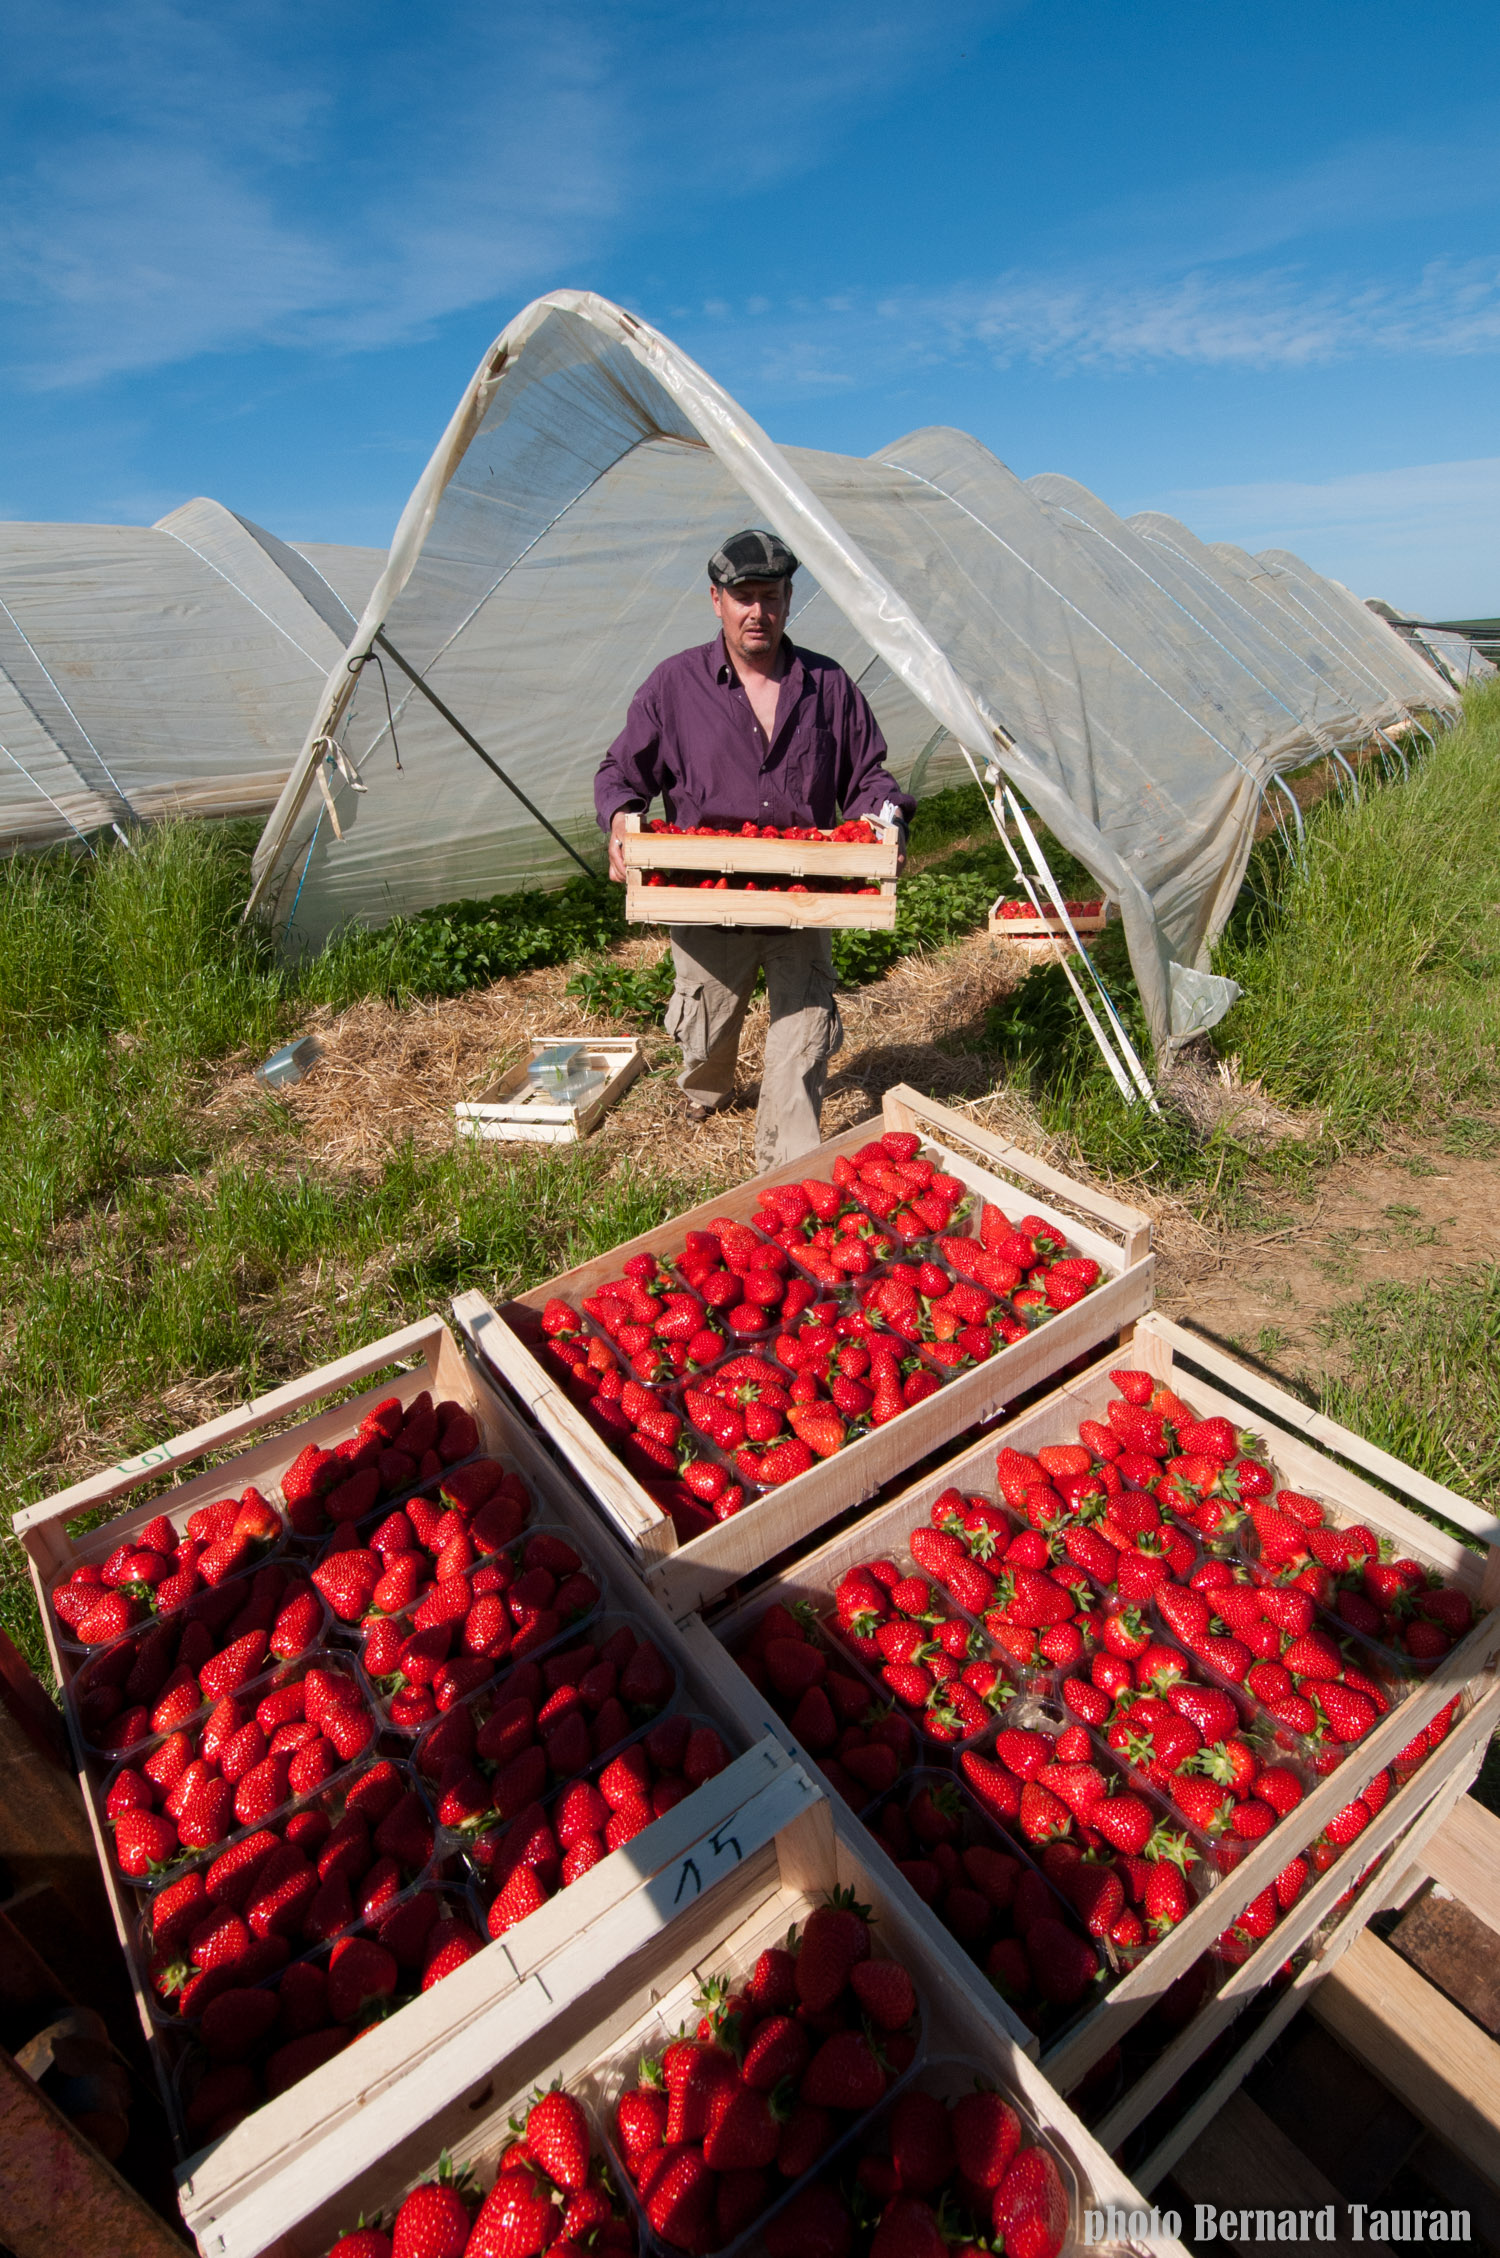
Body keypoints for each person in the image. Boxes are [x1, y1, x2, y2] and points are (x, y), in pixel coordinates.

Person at [595, 527, 915, 1169]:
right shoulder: (674, 687)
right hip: (708, 900)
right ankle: (707, 1090)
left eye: (770, 595)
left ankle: (786, 1168)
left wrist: (884, 822)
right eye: (743, 596)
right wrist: (620, 821)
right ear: (716, 600)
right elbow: (621, 773)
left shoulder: (829, 688)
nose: (757, 611)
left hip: (805, 900)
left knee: (801, 1041)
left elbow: (869, 777)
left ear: (789, 598)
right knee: (707, 1028)